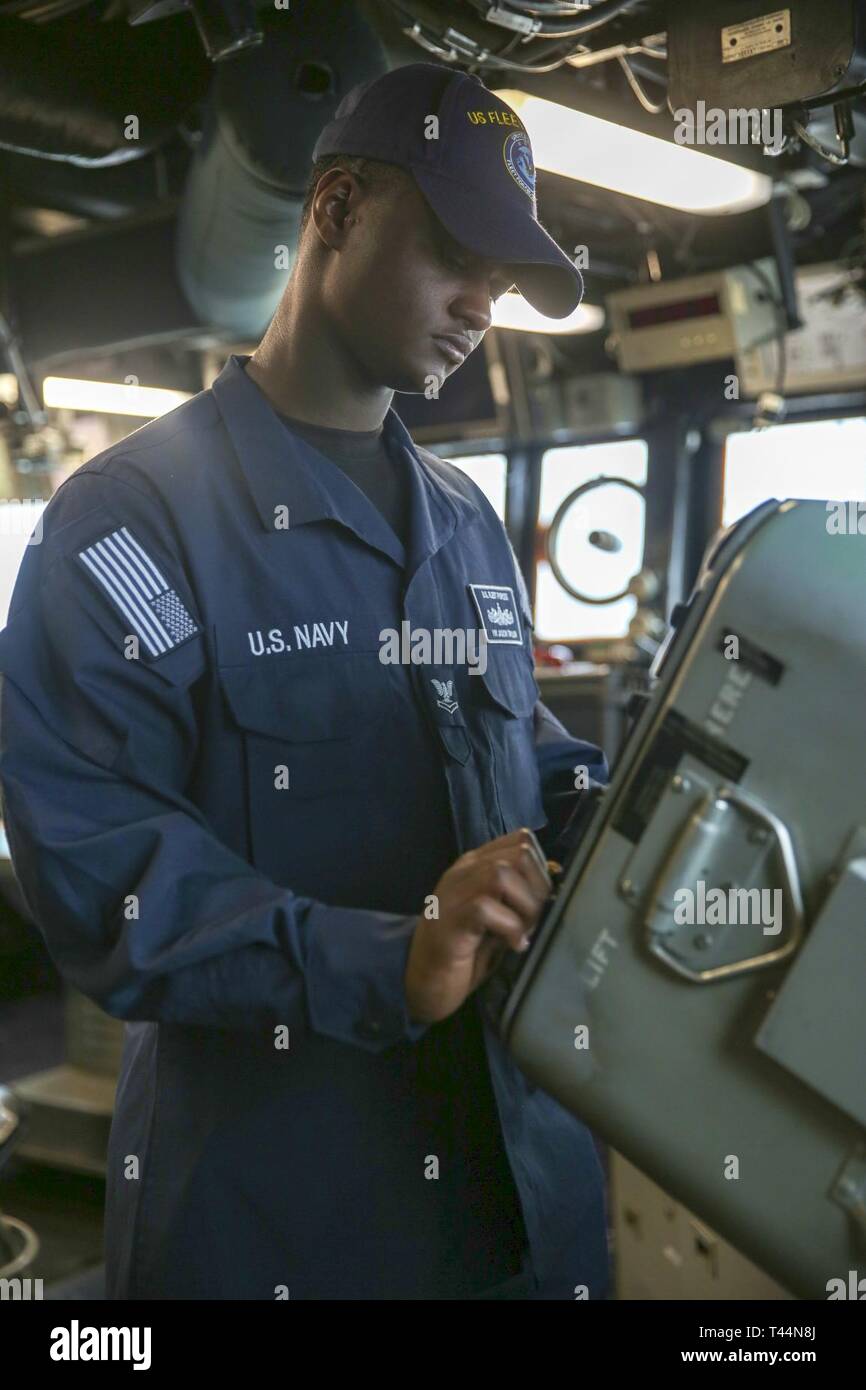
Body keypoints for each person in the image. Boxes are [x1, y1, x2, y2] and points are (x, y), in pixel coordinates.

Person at [0, 60, 610, 1300]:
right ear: (333, 210)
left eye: (504, 279)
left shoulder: (464, 520)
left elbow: (516, 754)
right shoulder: (130, 523)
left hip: (517, 1197)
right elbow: (98, 874)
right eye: (457, 253)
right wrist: (386, 957)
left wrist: (624, 813)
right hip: (280, 1218)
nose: (482, 302)